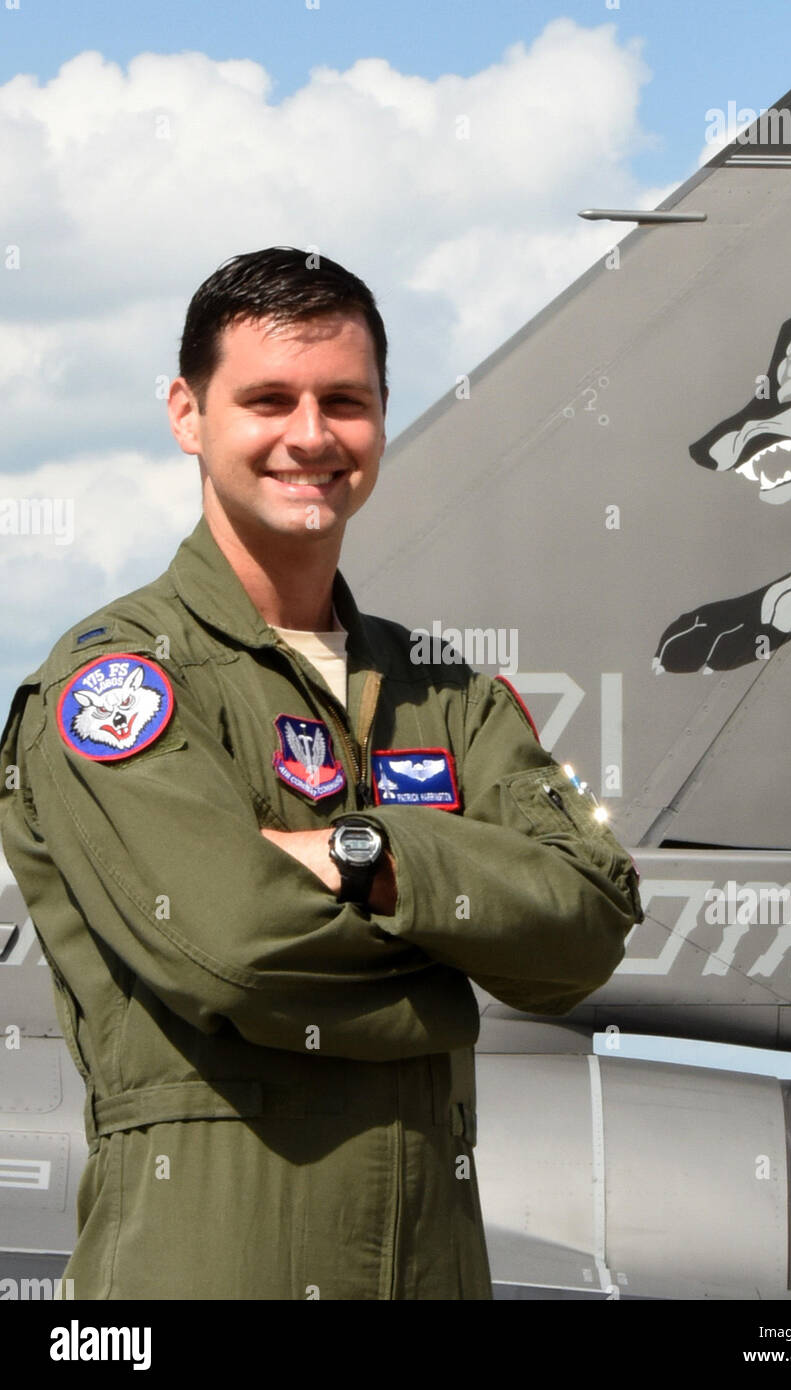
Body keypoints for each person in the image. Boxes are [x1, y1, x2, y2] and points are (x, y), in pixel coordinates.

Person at [0, 247, 643, 1300]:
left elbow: (588, 922)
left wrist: (375, 856)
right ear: (187, 413)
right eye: (267, 399)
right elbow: (235, 955)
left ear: (382, 416)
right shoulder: (117, 683)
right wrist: (458, 954)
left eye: (343, 400)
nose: (310, 435)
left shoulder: (443, 687)